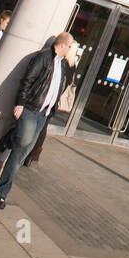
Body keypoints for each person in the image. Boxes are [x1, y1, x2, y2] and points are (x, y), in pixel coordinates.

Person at [0, 33, 74, 209]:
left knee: (23, 151)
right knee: (24, 142)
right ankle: (10, 139)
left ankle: (2, 192)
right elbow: (27, 81)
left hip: (44, 114)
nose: (71, 49)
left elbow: (60, 86)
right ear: (64, 45)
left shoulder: (63, 65)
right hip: (31, 108)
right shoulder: (42, 58)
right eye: (70, 45)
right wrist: (20, 103)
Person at [23, 38, 77, 168]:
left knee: (37, 128)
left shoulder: (64, 64)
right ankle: (32, 154)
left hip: (46, 99)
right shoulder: (71, 64)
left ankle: (29, 153)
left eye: (70, 47)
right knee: (41, 128)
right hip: (51, 100)